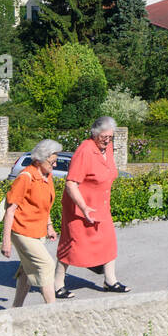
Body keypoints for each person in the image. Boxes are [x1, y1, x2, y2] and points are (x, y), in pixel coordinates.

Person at [54, 116, 128, 295]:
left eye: (110, 137)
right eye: (104, 137)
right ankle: (57, 284)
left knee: (109, 243)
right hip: (80, 208)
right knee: (72, 245)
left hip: (101, 205)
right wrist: (84, 207)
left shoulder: (108, 148)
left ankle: (110, 281)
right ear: (94, 134)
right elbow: (71, 183)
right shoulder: (85, 151)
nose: (107, 141)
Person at [1, 139, 62, 307]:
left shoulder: (47, 176)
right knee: (46, 265)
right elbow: (10, 211)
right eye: (52, 162)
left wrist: (49, 226)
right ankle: (54, 310)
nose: (55, 165)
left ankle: (16, 309)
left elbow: (44, 206)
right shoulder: (25, 177)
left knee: (27, 271)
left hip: (38, 230)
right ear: (39, 160)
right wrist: (6, 242)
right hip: (21, 230)